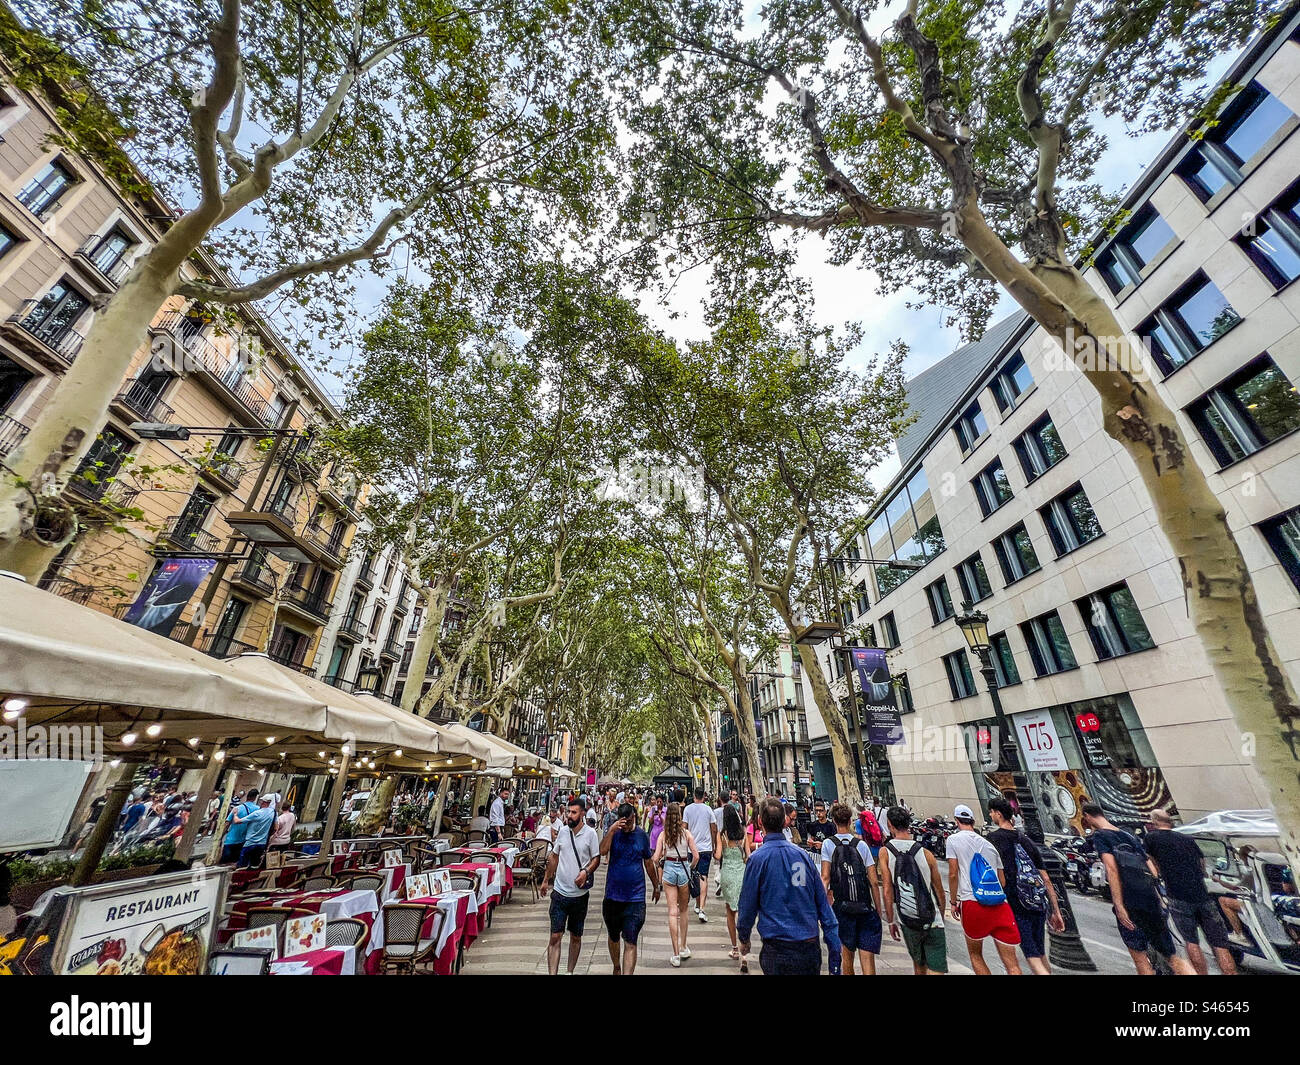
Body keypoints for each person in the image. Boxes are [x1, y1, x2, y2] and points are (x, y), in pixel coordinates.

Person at [1082, 803, 1194, 975]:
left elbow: (1111, 869)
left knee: (1140, 958)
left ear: (1088, 816)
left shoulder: (1101, 836)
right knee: (1171, 955)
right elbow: (1153, 870)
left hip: (1129, 901)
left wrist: (1119, 905)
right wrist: (1158, 898)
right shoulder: (1128, 835)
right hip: (1150, 900)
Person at [737, 797, 841, 975]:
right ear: (785, 821)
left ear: (760, 821)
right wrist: (834, 956)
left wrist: (744, 938)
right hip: (808, 945)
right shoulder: (802, 856)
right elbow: (823, 907)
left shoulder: (757, 860)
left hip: (776, 947)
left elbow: (747, 905)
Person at [1141, 809, 1236, 974]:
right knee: (1220, 944)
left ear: (1154, 821)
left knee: (1192, 941)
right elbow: (1201, 864)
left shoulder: (1151, 837)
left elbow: (1149, 862)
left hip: (1178, 896)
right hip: (1202, 895)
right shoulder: (1187, 839)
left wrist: (1158, 876)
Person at [986, 798, 1065, 974]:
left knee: (1031, 954)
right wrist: (1056, 910)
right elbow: (1045, 878)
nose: (991, 815)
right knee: (1039, 952)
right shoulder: (1026, 840)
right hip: (1037, 902)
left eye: (991, 812)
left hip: (1016, 902)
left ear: (998, 814)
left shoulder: (993, 839)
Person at [945, 803, 1022, 975]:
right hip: (999, 905)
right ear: (972, 821)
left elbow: (952, 873)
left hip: (972, 902)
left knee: (976, 955)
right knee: (1012, 964)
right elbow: (1002, 881)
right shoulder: (989, 846)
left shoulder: (953, 840)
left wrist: (953, 902)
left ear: (957, 821)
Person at [879, 806, 948, 975]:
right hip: (932, 918)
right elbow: (940, 892)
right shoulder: (926, 853)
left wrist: (891, 920)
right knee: (937, 968)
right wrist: (939, 914)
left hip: (908, 917)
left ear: (890, 825)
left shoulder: (886, 852)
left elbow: (887, 890)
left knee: (919, 965)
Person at [820, 801, 883, 974]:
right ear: (849, 822)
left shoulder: (828, 844)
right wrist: (878, 911)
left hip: (843, 908)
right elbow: (874, 882)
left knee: (847, 958)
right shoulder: (861, 845)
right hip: (864, 908)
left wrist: (822, 909)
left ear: (833, 821)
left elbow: (825, 878)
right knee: (868, 961)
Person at [540, 799, 601, 975]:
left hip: (579, 896)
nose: (569, 815)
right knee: (555, 936)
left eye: (574, 812)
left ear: (582, 814)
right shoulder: (563, 832)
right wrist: (546, 880)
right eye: (568, 812)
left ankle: (570, 971)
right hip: (559, 893)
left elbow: (596, 858)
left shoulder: (590, 834)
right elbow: (554, 857)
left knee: (575, 936)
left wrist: (586, 872)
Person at [600, 802, 660, 975]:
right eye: (623, 821)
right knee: (613, 936)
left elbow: (648, 863)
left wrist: (656, 886)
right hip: (612, 896)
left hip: (635, 897)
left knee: (631, 941)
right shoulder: (614, 833)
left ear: (634, 817)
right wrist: (611, 830)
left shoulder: (641, 835)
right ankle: (616, 967)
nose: (626, 825)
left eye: (629, 820)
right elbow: (603, 851)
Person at [652, 802, 701, 966]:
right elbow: (696, 856)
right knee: (684, 909)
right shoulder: (686, 834)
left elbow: (654, 857)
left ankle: (675, 955)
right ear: (679, 816)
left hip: (669, 871)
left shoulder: (663, 835)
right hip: (684, 870)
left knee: (672, 912)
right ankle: (683, 946)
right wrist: (690, 867)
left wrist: (661, 861)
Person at [683, 787, 718, 924]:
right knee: (703, 877)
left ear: (693, 796)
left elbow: (684, 827)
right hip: (706, 849)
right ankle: (701, 908)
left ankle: (698, 905)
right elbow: (714, 828)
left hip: (692, 849)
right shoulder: (708, 810)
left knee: (694, 876)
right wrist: (714, 844)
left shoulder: (687, 809)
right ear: (704, 795)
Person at [717, 804, 748, 962]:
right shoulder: (743, 834)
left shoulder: (722, 834)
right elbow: (747, 856)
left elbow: (717, 855)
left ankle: (735, 949)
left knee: (730, 912)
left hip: (727, 874)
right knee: (742, 911)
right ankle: (744, 949)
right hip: (741, 873)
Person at [233, 794, 276, 868]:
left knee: (242, 865)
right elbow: (275, 828)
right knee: (254, 866)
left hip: (250, 842)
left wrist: (235, 814)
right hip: (262, 843)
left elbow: (237, 821)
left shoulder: (257, 813)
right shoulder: (273, 813)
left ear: (263, 802)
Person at [219, 789, 259, 865]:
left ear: (247, 797)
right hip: (244, 840)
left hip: (231, 839)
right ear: (254, 798)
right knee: (235, 863)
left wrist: (221, 837)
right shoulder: (257, 809)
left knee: (224, 863)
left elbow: (227, 823)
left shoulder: (237, 808)